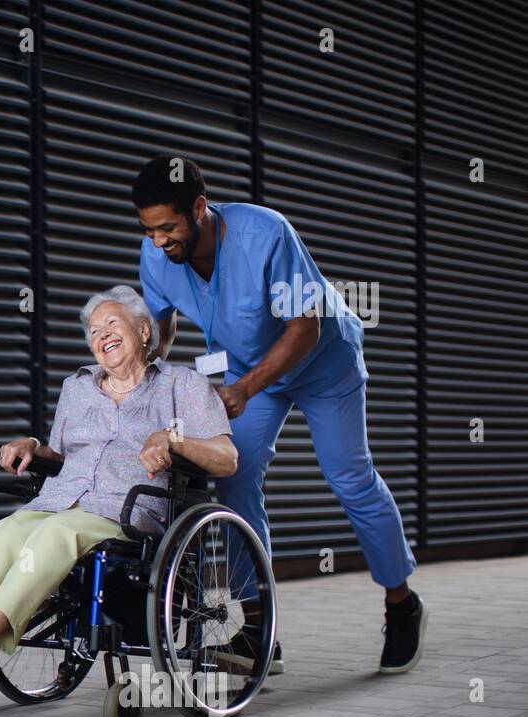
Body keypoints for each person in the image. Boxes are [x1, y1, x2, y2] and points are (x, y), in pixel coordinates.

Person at [132, 155, 426, 675]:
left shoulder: (265, 234)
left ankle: (402, 602)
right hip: (250, 368)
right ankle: (255, 627)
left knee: (349, 477)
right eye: (149, 229)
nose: (158, 241)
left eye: (168, 227)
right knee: (234, 475)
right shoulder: (156, 256)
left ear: (199, 208)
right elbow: (161, 328)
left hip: (322, 364)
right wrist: (138, 369)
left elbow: (305, 327)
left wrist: (244, 389)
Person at [0, 286, 238, 689]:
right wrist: (32, 446)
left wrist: (173, 440)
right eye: (93, 332)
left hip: (126, 511)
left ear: (142, 329)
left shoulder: (182, 385)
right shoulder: (78, 387)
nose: (101, 335)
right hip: (62, 501)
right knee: (5, 531)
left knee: (55, 534)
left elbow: (227, 458)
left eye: (111, 323)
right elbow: (63, 454)